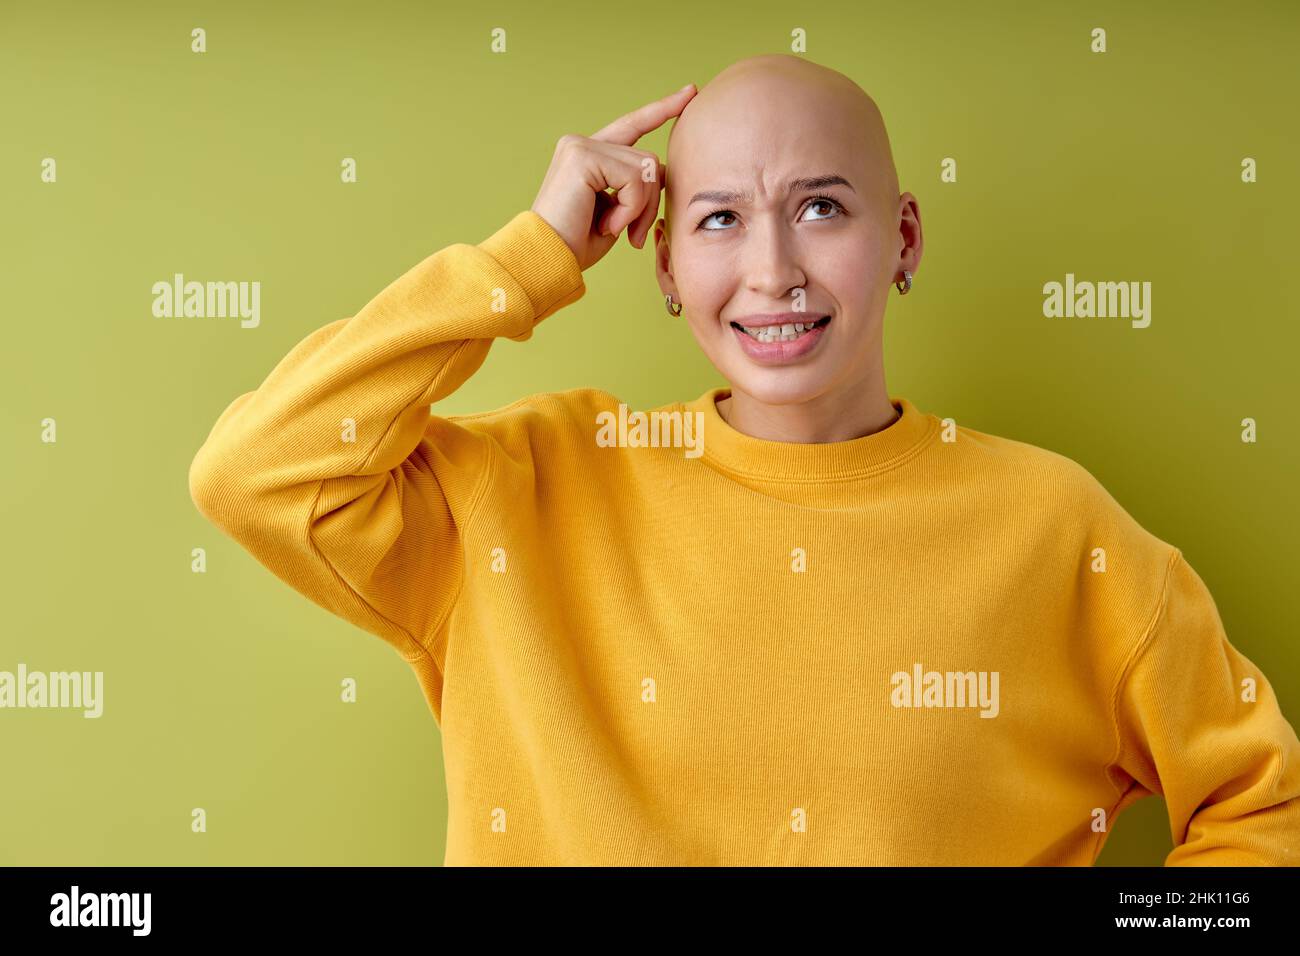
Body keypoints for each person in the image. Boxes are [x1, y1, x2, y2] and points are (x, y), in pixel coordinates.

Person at [189, 54, 1300, 866]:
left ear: (902, 237)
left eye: (820, 207)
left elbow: (1264, 808)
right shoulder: (525, 487)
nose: (772, 268)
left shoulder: (1056, 528)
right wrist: (526, 257)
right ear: (661, 263)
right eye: (718, 219)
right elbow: (259, 469)